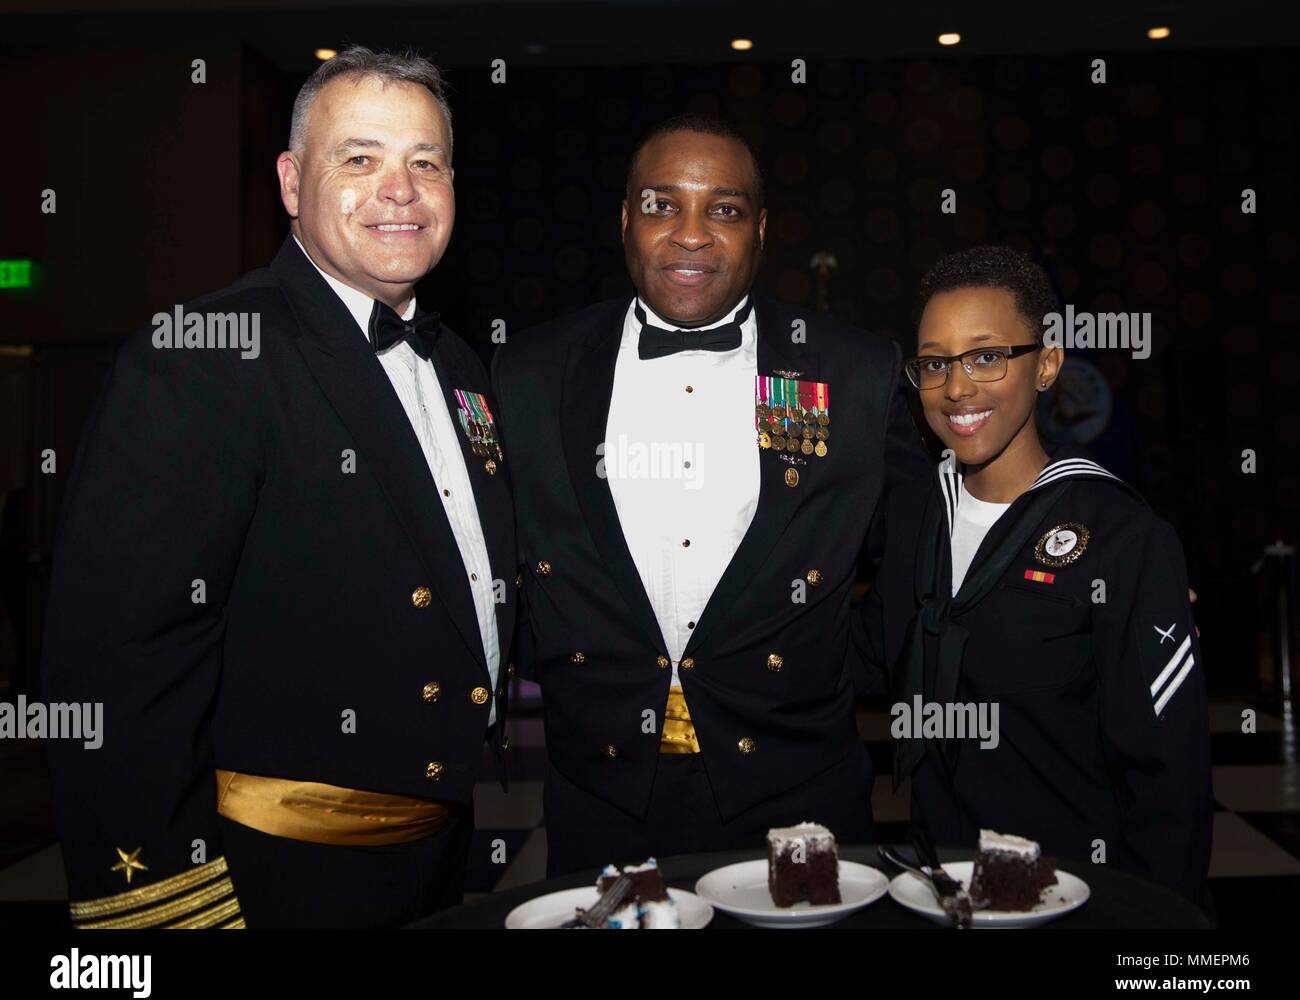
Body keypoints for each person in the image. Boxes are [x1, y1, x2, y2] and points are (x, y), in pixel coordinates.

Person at [41, 46, 515, 928]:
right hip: (273, 879)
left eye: (425, 163)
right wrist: (163, 909)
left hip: (438, 857)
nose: (399, 190)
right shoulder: (208, 353)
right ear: (293, 183)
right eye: (360, 158)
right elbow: (117, 661)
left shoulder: (461, 370)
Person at [492, 115, 930, 876]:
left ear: (760, 230)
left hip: (798, 791)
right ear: (626, 220)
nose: (691, 234)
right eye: (663, 205)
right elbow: (493, 554)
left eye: (723, 210)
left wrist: (827, 664)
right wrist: (564, 660)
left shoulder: (852, 371)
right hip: (600, 795)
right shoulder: (528, 372)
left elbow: (921, 561)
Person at [851, 245, 1213, 909]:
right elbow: (859, 657)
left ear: (1046, 365)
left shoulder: (1120, 538)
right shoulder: (914, 517)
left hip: (1076, 895)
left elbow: (1169, 786)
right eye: (935, 362)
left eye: (987, 356)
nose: (957, 387)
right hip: (940, 890)